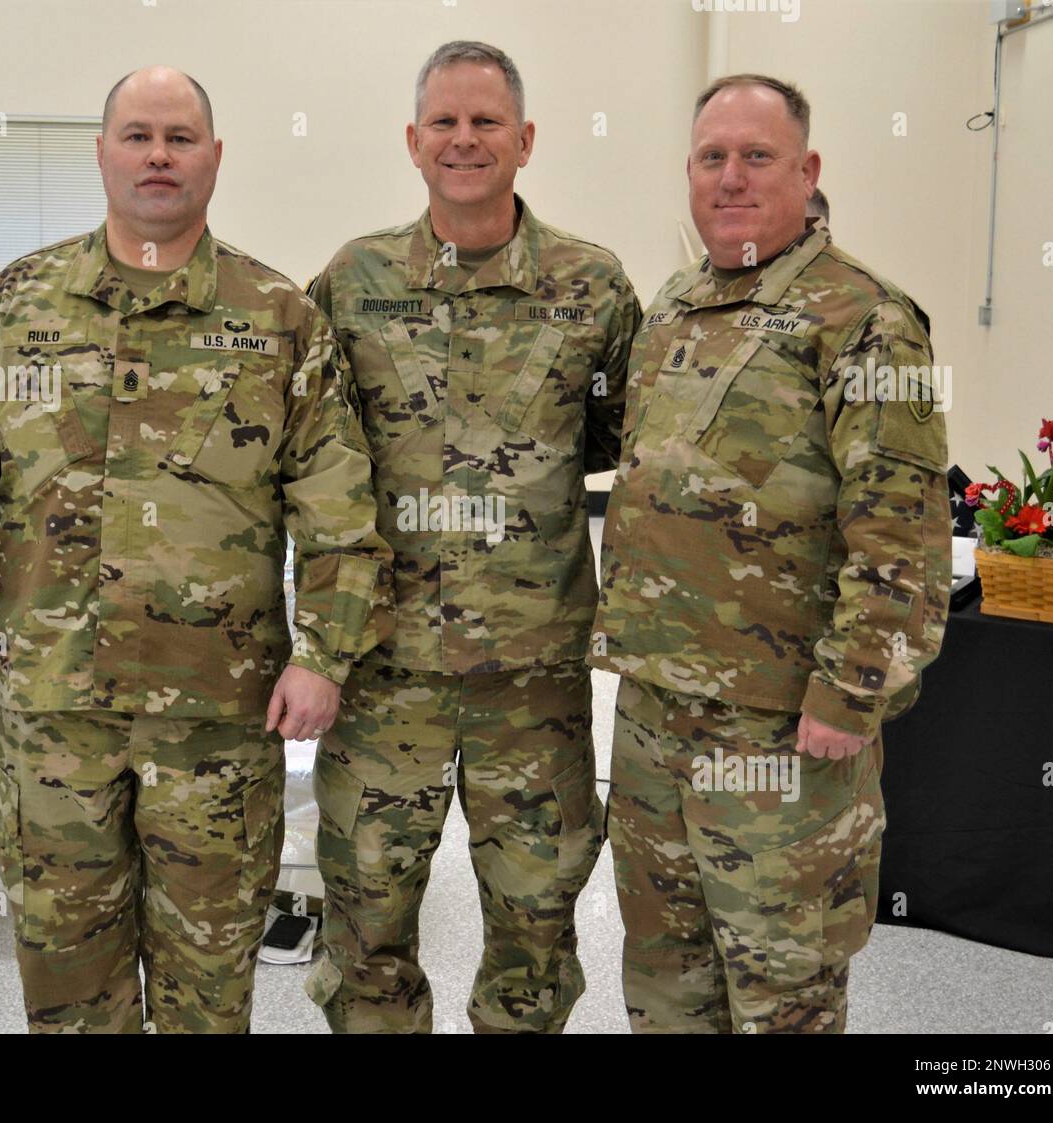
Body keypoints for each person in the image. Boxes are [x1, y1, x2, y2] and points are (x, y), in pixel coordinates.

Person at [0, 65, 392, 1033]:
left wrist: (324, 652)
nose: (159, 156)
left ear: (215, 157)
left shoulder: (276, 316)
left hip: (218, 713)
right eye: (139, 135)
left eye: (181, 138)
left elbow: (335, 504)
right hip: (52, 708)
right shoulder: (18, 304)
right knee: (65, 960)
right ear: (103, 151)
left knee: (210, 967)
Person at [590, 73, 949, 1033]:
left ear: (807, 170)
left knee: (781, 984)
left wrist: (852, 691)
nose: (732, 177)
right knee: (666, 978)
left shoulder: (864, 316)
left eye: (758, 156)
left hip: (783, 726)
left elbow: (901, 527)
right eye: (713, 158)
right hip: (655, 710)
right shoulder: (673, 306)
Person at [304, 40, 641, 1033]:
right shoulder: (352, 283)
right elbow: (310, 452)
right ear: (413, 142)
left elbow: (626, 440)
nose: (464, 140)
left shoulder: (593, 286)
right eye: (444, 123)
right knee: (365, 922)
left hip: (530, 681)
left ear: (525, 140)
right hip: (383, 671)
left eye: (486, 121)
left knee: (536, 927)